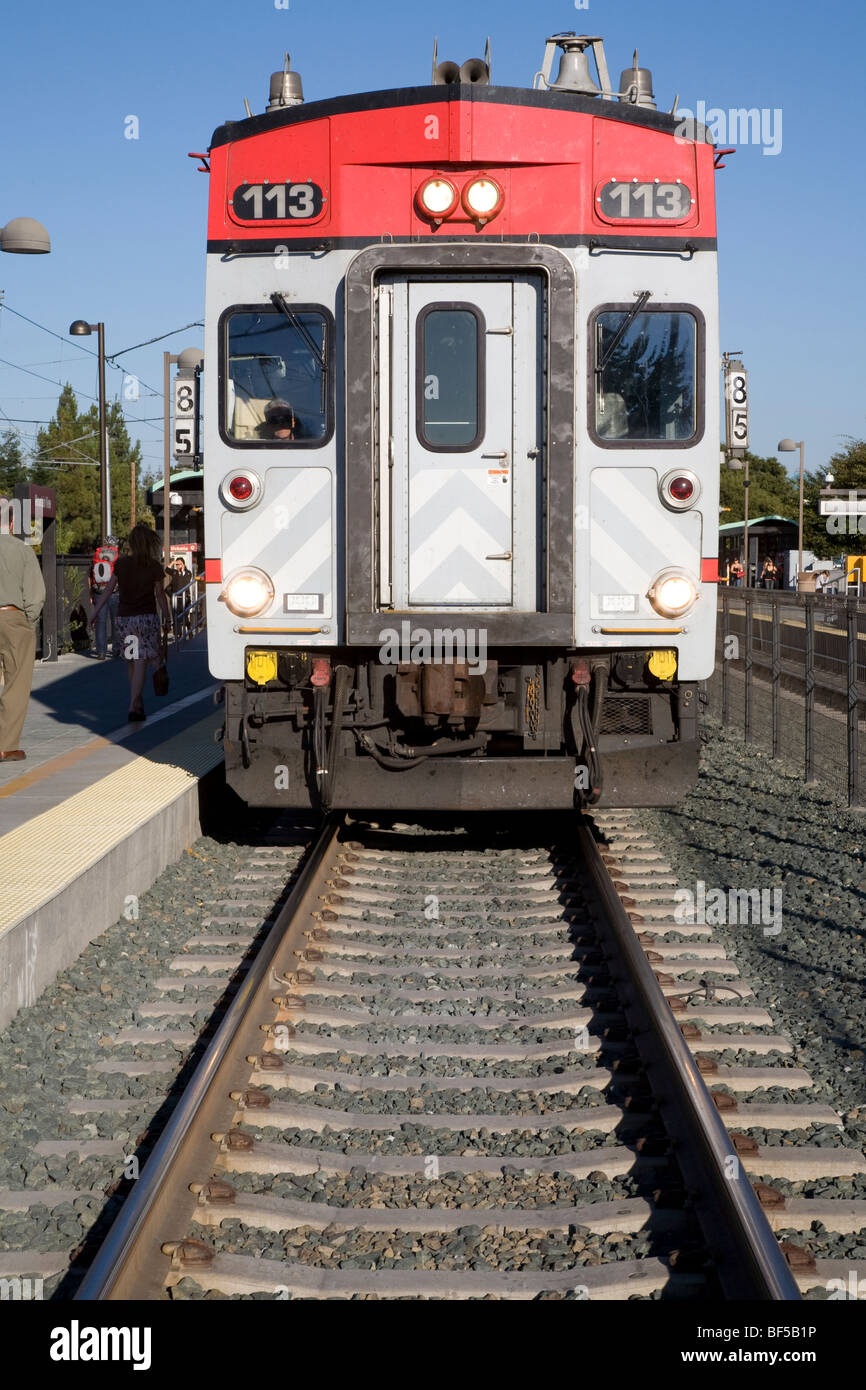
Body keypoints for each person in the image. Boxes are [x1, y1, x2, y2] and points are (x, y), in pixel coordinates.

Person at [90, 524, 170, 722]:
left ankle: (139, 704)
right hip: (146, 618)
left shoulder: (122, 565)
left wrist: (94, 613)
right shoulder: (153, 566)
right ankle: (133, 704)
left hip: (124, 619)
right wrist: (167, 617)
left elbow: (108, 590)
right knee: (142, 659)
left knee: (133, 661)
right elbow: (160, 594)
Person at [0, 512, 46, 760]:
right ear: (10, 523)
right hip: (12, 617)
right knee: (16, 683)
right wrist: (28, 624)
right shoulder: (22, 550)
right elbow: (35, 595)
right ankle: (6, 746)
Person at [90, 534, 120, 659]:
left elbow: (90, 575)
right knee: (115, 621)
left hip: (99, 592)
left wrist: (91, 593)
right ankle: (116, 650)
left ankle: (101, 652)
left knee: (100, 622)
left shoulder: (96, 555)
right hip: (114, 592)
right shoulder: (117, 557)